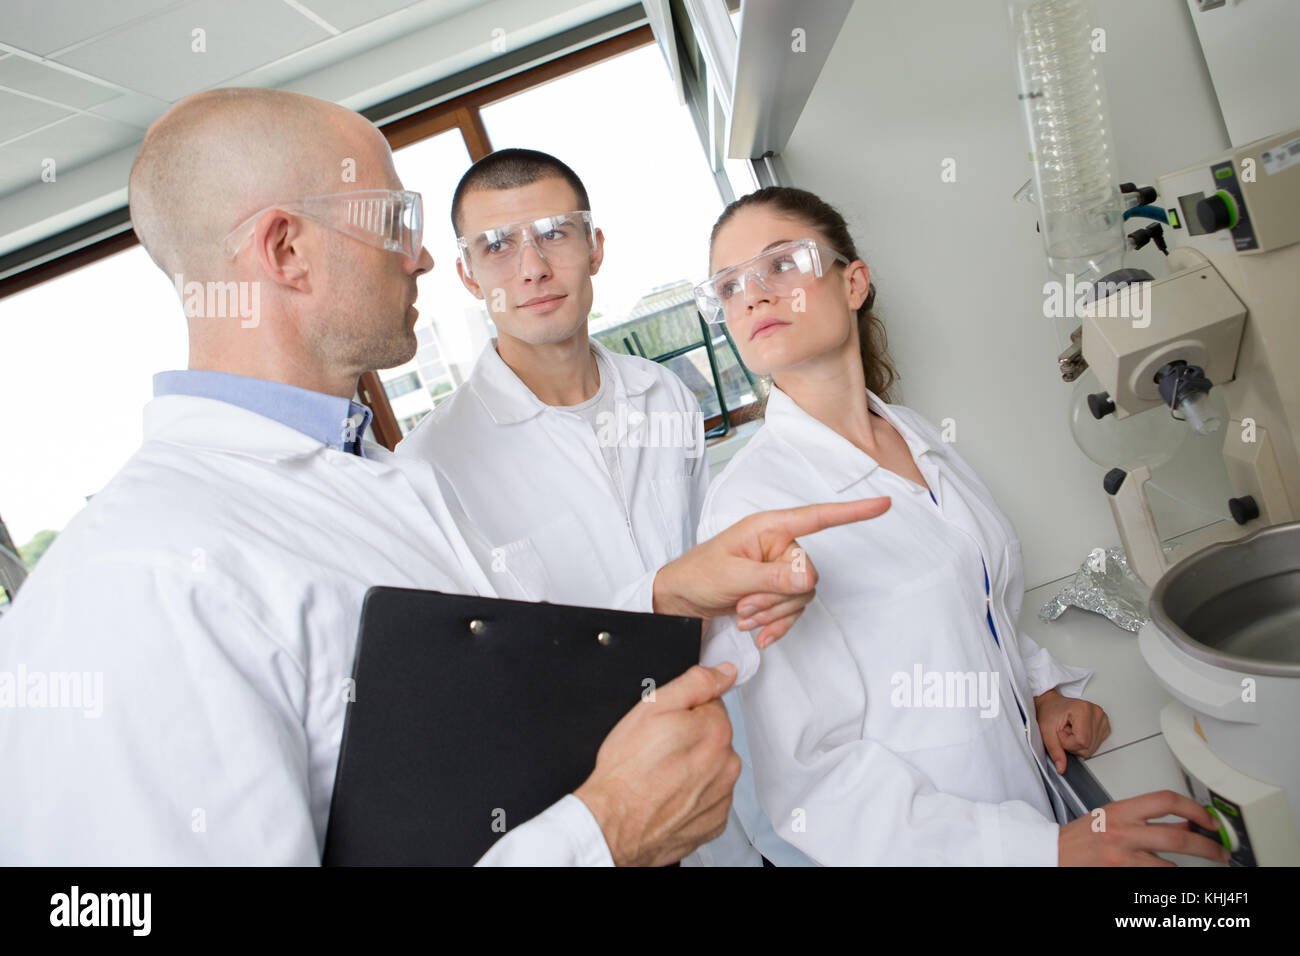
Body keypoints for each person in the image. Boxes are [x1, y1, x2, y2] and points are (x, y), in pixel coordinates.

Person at [0, 90, 887, 866]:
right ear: (286, 251)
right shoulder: (135, 581)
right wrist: (604, 838)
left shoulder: (369, 479)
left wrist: (672, 603)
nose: (421, 258)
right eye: (395, 221)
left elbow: (505, 721)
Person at [695, 185, 1234, 866]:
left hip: (1025, 803)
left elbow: (976, 604)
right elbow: (815, 782)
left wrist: (1038, 691)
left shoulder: (914, 434)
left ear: (853, 281)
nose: (753, 295)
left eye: (780, 264)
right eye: (729, 285)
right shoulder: (750, 505)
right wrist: (1044, 851)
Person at [396, 148, 759, 864]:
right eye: (497, 246)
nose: (531, 267)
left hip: (735, 767)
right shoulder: (430, 470)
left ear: (595, 247)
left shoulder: (663, 395)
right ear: (467, 275)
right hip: (606, 818)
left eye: (555, 232)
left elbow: (700, 579)